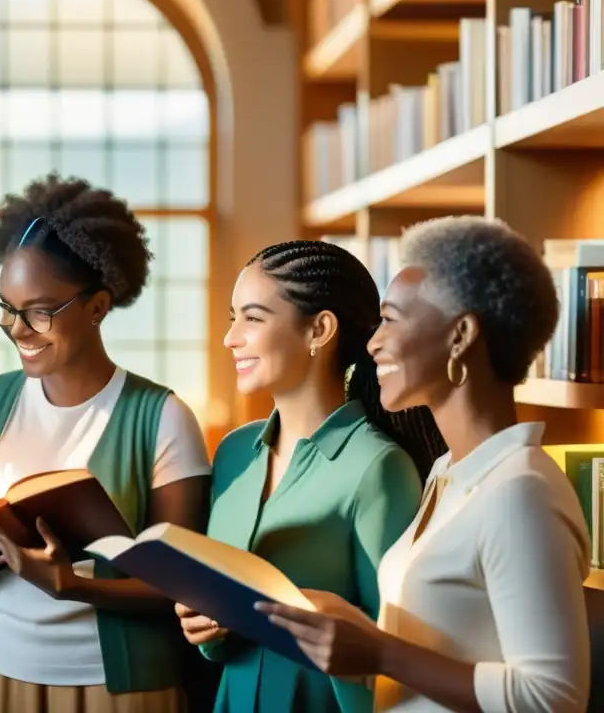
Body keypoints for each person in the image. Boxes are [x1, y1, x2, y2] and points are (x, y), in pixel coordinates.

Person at [258, 216, 591, 713]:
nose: (371, 345)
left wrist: (379, 651)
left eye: (390, 320)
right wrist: (354, 628)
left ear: (460, 335)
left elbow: (553, 698)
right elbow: (451, 644)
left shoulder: (520, 492)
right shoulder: (448, 472)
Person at [0, 174, 214, 713]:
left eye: (40, 311)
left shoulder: (162, 418)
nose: (19, 329)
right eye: (7, 308)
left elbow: (183, 588)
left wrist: (70, 585)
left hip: (121, 685)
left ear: (97, 307)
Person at [176, 239, 447, 713]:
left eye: (253, 318)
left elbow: (397, 644)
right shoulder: (235, 453)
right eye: (232, 317)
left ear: (319, 329)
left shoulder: (376, 467)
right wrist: (206, 627)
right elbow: (219, 619)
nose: (231, 338)